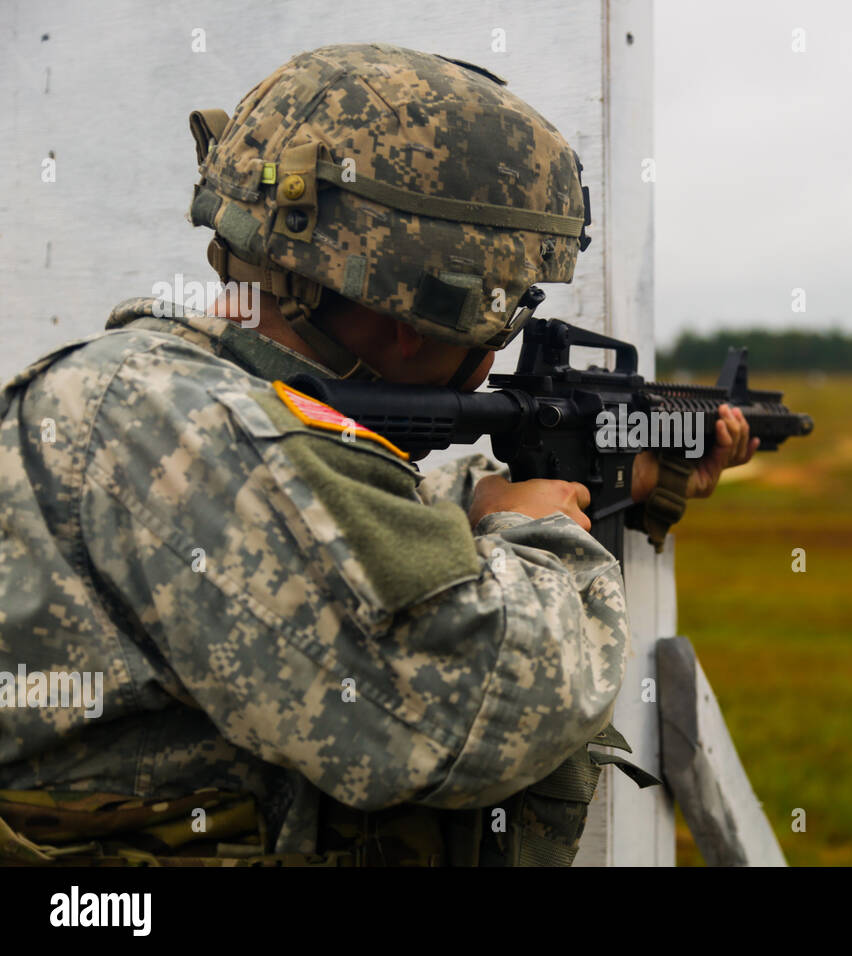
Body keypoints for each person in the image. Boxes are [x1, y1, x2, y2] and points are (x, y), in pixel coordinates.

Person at [0, 43, 754, 866]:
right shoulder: (183, 430)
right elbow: (475, 710)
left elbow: (340, 543)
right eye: (512, 309)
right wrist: (543, 542)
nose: (502, 343)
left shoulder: (176, 404)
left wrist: (577, 477)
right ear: (418, 316)